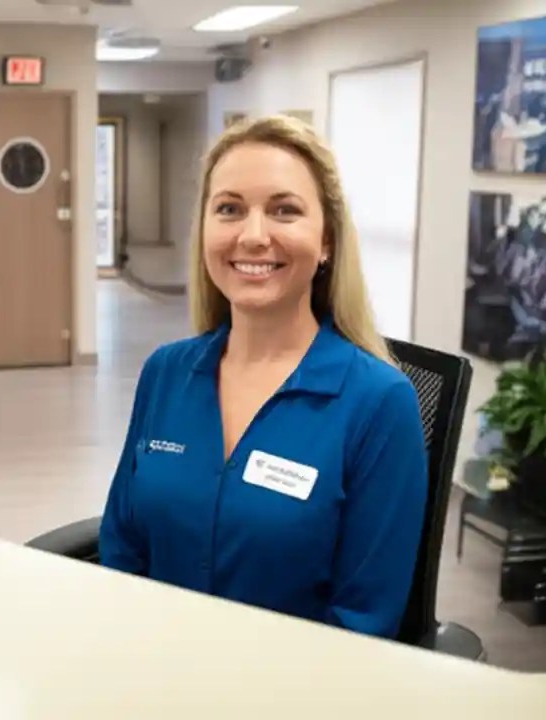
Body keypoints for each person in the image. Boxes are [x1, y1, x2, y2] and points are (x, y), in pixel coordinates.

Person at [99, 116, 428, 639]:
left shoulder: (379, 403)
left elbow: (364, 620)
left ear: (327, 243)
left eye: (285, 210)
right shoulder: (166, 372)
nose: (253, 236)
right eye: (229, 209)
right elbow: (122, 549)